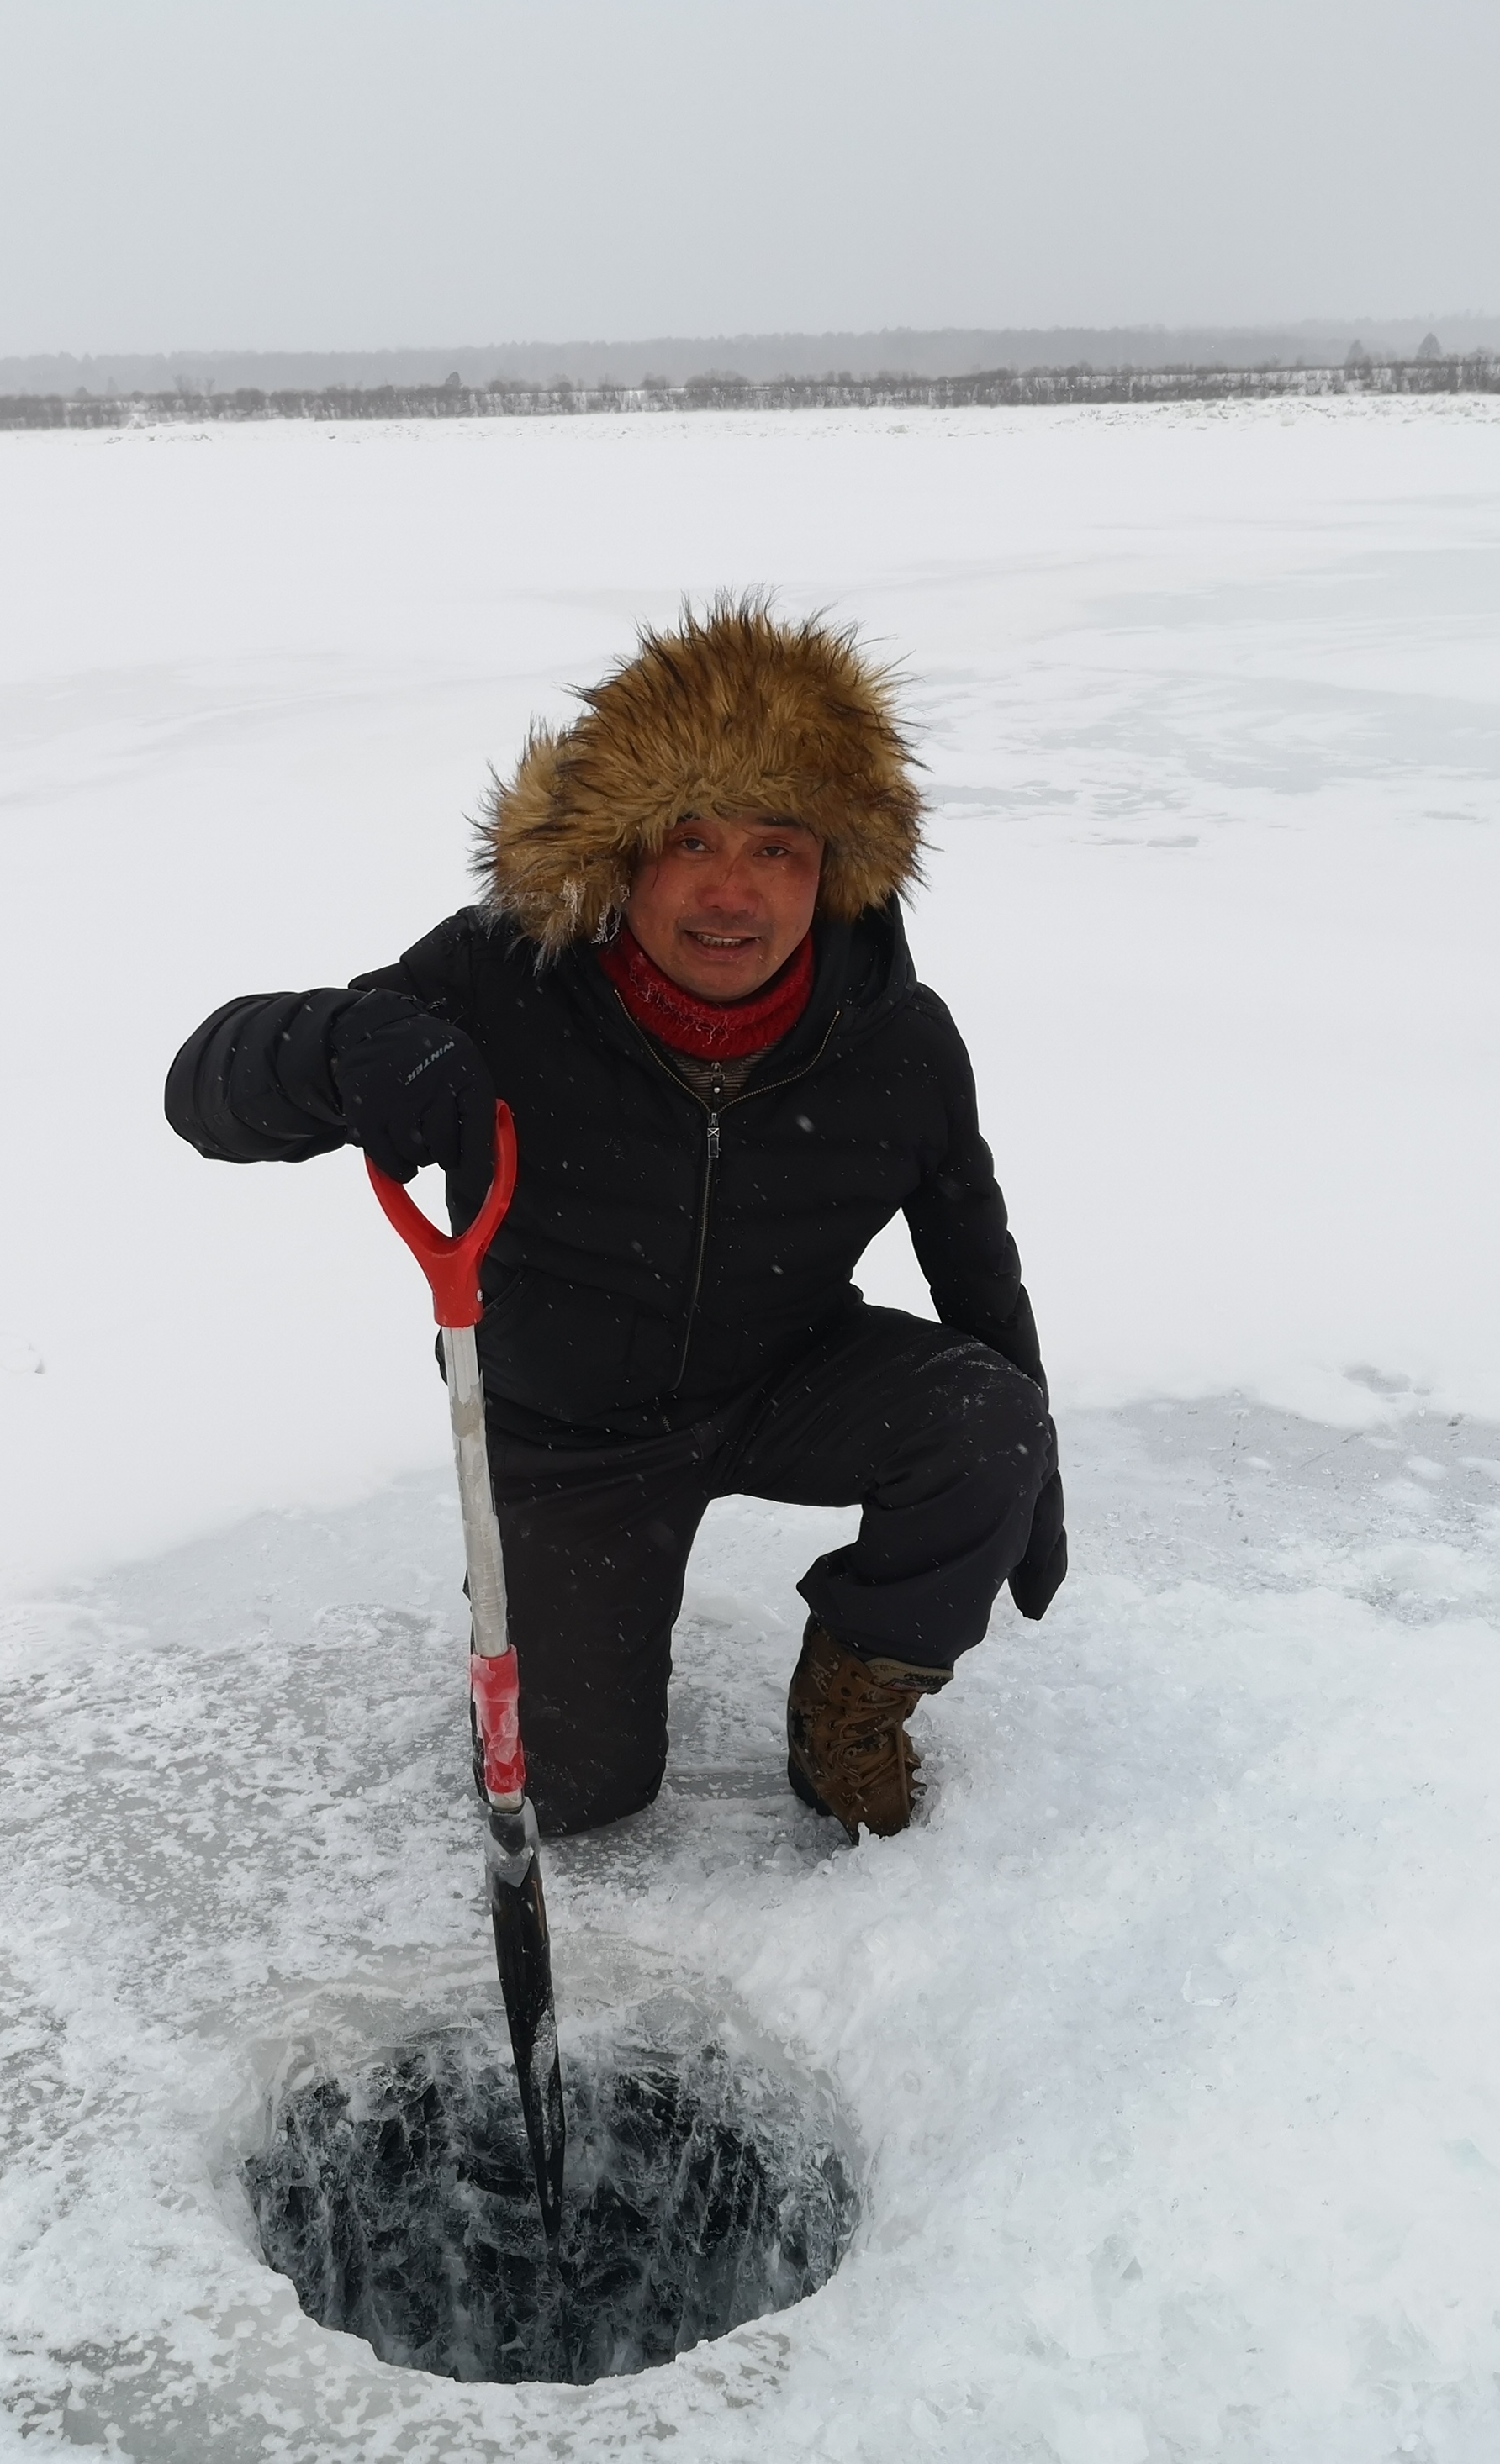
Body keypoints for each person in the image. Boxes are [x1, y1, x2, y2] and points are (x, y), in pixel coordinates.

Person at [166, 600, 1061, 1839]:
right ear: (625, 852)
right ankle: (563, 1632)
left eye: (777, 847)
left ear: (834, 871)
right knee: (574, 1794)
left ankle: (852, 1698)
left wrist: (1027, 1467)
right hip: (565, 1425)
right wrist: (343, 1046)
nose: (731, 893)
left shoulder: (896, 1040)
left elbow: (974, 1259)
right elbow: (204, 1095)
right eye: (691, 840)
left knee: (984, 1417)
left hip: (783, 1374)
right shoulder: (506, 976)